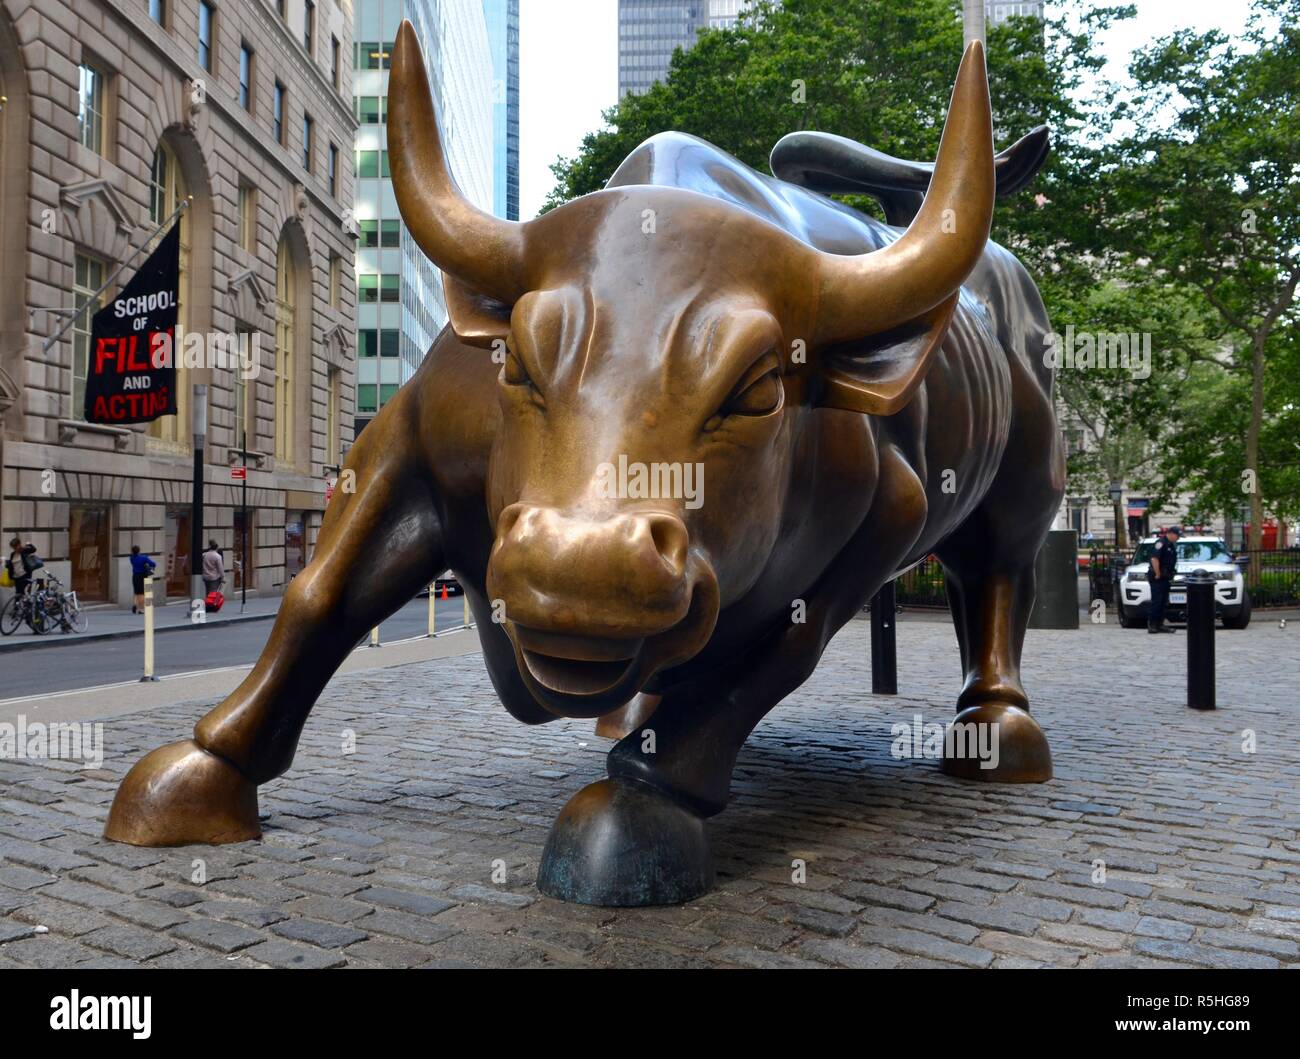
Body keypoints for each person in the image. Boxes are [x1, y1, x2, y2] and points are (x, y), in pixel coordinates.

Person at [1148, 526, 1180, 633]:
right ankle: (1152, 625)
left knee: (1163, 602)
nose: (1178, 538)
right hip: (1158, 578)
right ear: (1171, 534)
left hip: (1166, 577)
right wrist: (1157, 573)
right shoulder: (1160, 543)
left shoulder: (1170, 545)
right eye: (1177, 535)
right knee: (1157, 601)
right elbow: (1154, 558)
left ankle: (1160, 624)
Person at [129, 545, 157, 614]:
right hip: (142, 575)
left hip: (135, 576)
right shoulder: (144, 558)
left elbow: (136, 559)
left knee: (136, 591)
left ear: (132, 551)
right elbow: (153, 564)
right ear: (139, 550)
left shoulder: (131, 558)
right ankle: (141, 609)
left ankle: (135, 604)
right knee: (141, 593)